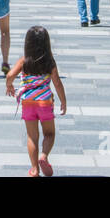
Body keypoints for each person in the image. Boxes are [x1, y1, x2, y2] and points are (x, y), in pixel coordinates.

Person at [5, 26, 66, 178]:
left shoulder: (24, 61)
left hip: (28, 103)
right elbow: (57, 82)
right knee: (49, 134)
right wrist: (63, 101)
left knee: (32, 137)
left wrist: (9, 86)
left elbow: (9, 75)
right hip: (45, 102)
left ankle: (34, 169)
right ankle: (43, 156)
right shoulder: (50, 62)